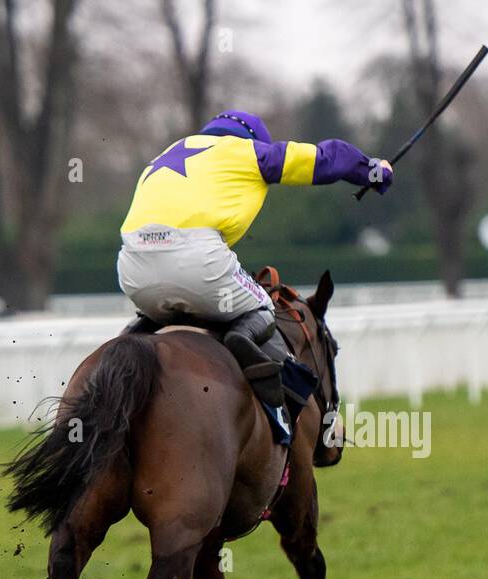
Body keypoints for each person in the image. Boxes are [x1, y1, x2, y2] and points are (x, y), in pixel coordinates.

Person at [116, 109, 393, 440]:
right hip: (196, 261)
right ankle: (251, 355)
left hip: (133, 269)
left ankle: (126, 343)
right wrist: (373, 171)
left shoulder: (168, 152)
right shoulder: (245, 151)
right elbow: (324, 158)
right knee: (263, 304)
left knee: (162, 315)